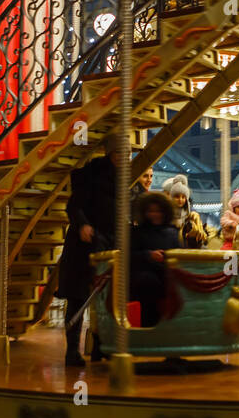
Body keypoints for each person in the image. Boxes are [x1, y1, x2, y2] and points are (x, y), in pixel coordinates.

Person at [56, 134, 123, 367]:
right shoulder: (91, 176)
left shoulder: (120, 180)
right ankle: (72, 350)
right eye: (119, 153)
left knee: (104, 299)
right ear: (111, 154)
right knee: (78, 298)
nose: (123, 158)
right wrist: (83, 225)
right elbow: (74, 206)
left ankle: (100, 346)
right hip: (84, 246)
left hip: (107, 245)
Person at [130, 192, 175, 328]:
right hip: (144, 275)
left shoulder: (172, 232)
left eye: (158, 211)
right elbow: (129, 256)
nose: (155, 214)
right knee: (148, 282)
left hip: (167, 273)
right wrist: (149, 255)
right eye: (151, 211)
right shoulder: (137, 232)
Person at [166, 175, 208, 248]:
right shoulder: (167, 214)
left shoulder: (191, 215)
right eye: (177, 196)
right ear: (172, 197)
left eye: (183, 197)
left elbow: (203, 237)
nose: (180, 200)